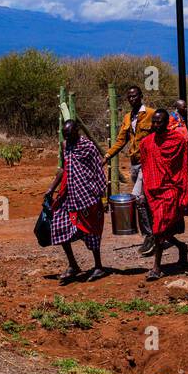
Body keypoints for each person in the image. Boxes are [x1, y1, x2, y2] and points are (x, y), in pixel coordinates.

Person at [44, 119, 110, 285]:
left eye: (69, 134)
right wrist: (51, 188)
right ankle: (73, 265)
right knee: (59, 225)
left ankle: (98, 266)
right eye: (64, 135)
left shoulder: (87, 146)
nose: (66, 137)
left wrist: (101, 196)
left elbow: (98, 170)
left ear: (77, 131)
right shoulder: (66, 145)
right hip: (69, 194)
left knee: (91, 230)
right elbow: (64, 168)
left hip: (88, 195)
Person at [137, 108, 188, 280]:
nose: (156, 124)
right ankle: (181, 247)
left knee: (159, 228)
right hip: (153, 190)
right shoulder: (146, 143)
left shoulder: (178, 141)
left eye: (159, 121)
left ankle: (156, 267)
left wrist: (184, 190)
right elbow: (146, 166)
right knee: (160, 229)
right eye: (154, 121)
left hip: (171, 189)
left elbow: (184, 166)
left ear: (167, 122)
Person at [105, 85, 157, 255]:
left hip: (148, 163)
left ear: (141, 96)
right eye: (129, 97)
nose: (132, 99)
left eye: (135, 96)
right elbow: (121, 141)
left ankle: (149, 236)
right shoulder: (128, 118)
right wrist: (107, 156)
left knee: (138, 199)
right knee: (146, 200)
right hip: (134, 164)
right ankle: (156, 233)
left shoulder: (150, 113)